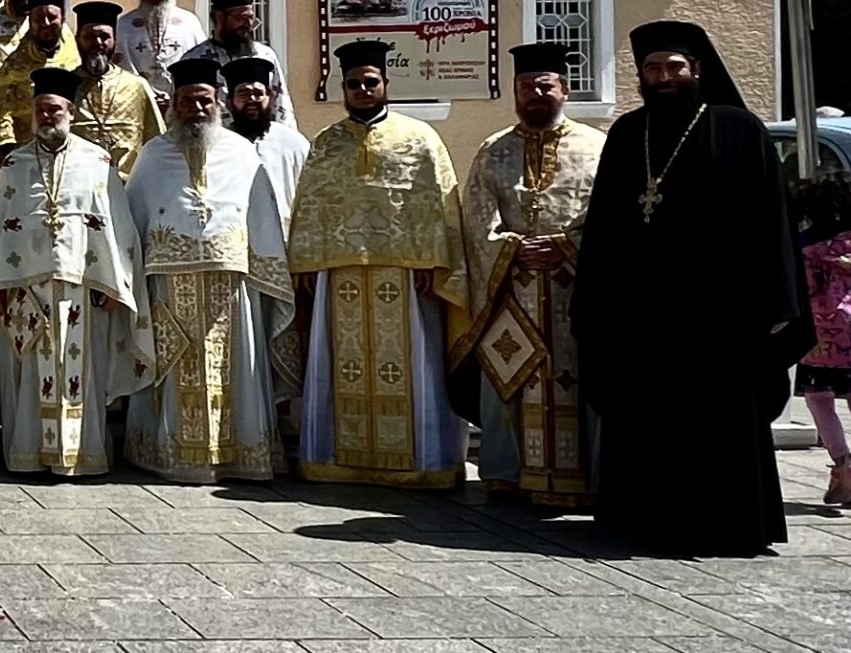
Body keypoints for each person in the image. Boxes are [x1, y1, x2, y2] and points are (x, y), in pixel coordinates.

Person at [573, 21, 810, 556]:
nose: (663, 78)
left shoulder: (738, 128)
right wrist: (594, 300)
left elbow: (770, 219)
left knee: (718, 422)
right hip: (644, 312)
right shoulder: (629, 133)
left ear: (697, 71)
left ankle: (726, 525)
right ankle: (643, 518)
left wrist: (776, 301)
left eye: (674, 68)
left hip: (720, 313)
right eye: (652, 70)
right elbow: (606, 224)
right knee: (648, 419)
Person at [287, 40, 467, 488]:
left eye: (371, 82)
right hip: (338, 274)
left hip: (407, 276)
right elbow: (308, 207)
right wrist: (306, 265)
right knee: (336, 363)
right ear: (342, 88)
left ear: (386, 83)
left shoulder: (420, 137)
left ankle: (423, 462)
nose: (363, 90)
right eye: (354, 84)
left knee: (415, 368)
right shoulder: (326, 144)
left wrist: (435, 260)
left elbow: (439, 203)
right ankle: (334, 458)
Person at [122, 58, 296, 484]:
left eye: (203, 100)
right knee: (173, 366)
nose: (196, 109)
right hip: (167, 284)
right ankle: (171, 454)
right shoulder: (152, 155)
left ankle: (240, 454)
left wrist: (269, 273)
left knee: (236, 368)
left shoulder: (241, 153)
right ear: (173, 106)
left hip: (232, 285)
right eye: (186, 102)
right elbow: (134, 219)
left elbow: (262, 218)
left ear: (217, 102)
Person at [0, 66, 151, 476]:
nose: (47, 117)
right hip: (23, 291)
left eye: (54, 109)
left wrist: (117, 280)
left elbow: (117, 226)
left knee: (82, 373)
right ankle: (27, 455)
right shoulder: (13, 165)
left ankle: (81, 456)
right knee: (27, 375)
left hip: (81, 290)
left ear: (71, 111)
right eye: (40, 110)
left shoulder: (96, 162)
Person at [453, 43, 606, 507]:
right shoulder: (494, 150)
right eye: (526, 87)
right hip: (511, 289)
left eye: (546, 85)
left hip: (573, 290)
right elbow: (476, 218)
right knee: (506, 374)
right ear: (515, 93)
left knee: (579, 376)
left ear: (565, 89)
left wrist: (563, 245)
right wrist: (514, 247)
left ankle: (585, 477)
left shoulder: (597, 147)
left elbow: (607, 217)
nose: (536, 93)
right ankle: (505, 473)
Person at [797, 177, 851, 506]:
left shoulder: (806, 247)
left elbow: (807, 291)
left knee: (819, 398)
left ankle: (843, 465)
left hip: (820, 336)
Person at [66, 1, 164, 175]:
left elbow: (157, 141)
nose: (98, 43)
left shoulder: (137, 86)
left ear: (115, 40)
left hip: (129, 185)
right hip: (78, 182)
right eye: (89, 37)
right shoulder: (65, 86)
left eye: (104, 37)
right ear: (77, 40)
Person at [181, 0, 297, 128]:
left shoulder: (264, 55)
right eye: (240, 18)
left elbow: (281, 105)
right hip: (214, 144)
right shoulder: (193, 61)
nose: (247, 23)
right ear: (219, 17)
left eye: (250, 17)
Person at [0, 0, 78, 155]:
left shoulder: (76, 56)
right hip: (25, 148)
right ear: (30, 21)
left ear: (63, 18)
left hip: (70, 146)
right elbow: (2, 107)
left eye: (51, 17)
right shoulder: (14, 63)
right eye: (38, 18)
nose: (45, 23)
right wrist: (7, 144)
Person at [224, 57, 309, 224]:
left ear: (270, 97)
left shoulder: (294, 144)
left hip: (283, 239)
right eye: (244, 93)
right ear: (229, 102)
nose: (252, 100)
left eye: (258, 94)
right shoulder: (219, 145)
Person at [116, 0, 206, 106]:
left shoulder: (189, 21)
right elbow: (120, 66)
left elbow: (199, 61)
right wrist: (145, 92)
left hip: (181, 101)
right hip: (138, 101)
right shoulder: (125, 24)